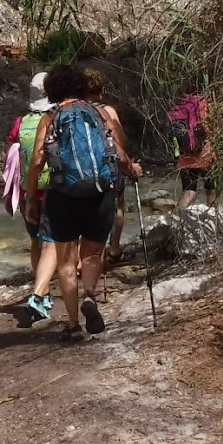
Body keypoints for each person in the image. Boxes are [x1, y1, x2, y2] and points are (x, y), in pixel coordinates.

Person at [22, 64, 143, 341]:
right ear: (80, 87)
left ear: (52, 91)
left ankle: (74, 324)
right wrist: (131, 169)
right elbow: (118, 151)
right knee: (91, 255)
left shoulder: (51, 117)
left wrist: (30, 198)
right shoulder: (98, 113)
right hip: (99, 193)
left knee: (66, 262)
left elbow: (38, 160)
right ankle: (89, 294)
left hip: (62, 196)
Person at [3, 72, 58, 319]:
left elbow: (13, 155)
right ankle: (42, 292)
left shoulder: (21, 122)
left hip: (29, 190)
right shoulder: (56, 118)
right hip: (55, 189)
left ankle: (43, 292)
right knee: (52, 242)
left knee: (36, 242)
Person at [84, 67, 129, 267]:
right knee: (118, 206)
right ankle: (114, 248)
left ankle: (86, 256)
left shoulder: (73, 111)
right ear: (102, 90)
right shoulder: (107, 111)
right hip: (108, 168)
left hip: (85, 170)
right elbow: (120, 139)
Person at [170, 89, 216, 209]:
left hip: (185, 155)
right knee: (211, 190)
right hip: (204, 155)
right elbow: (209, 130)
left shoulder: (181, 104)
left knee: (189, 191)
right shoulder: (204, 104)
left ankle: (176, 218)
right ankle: (214, 218)